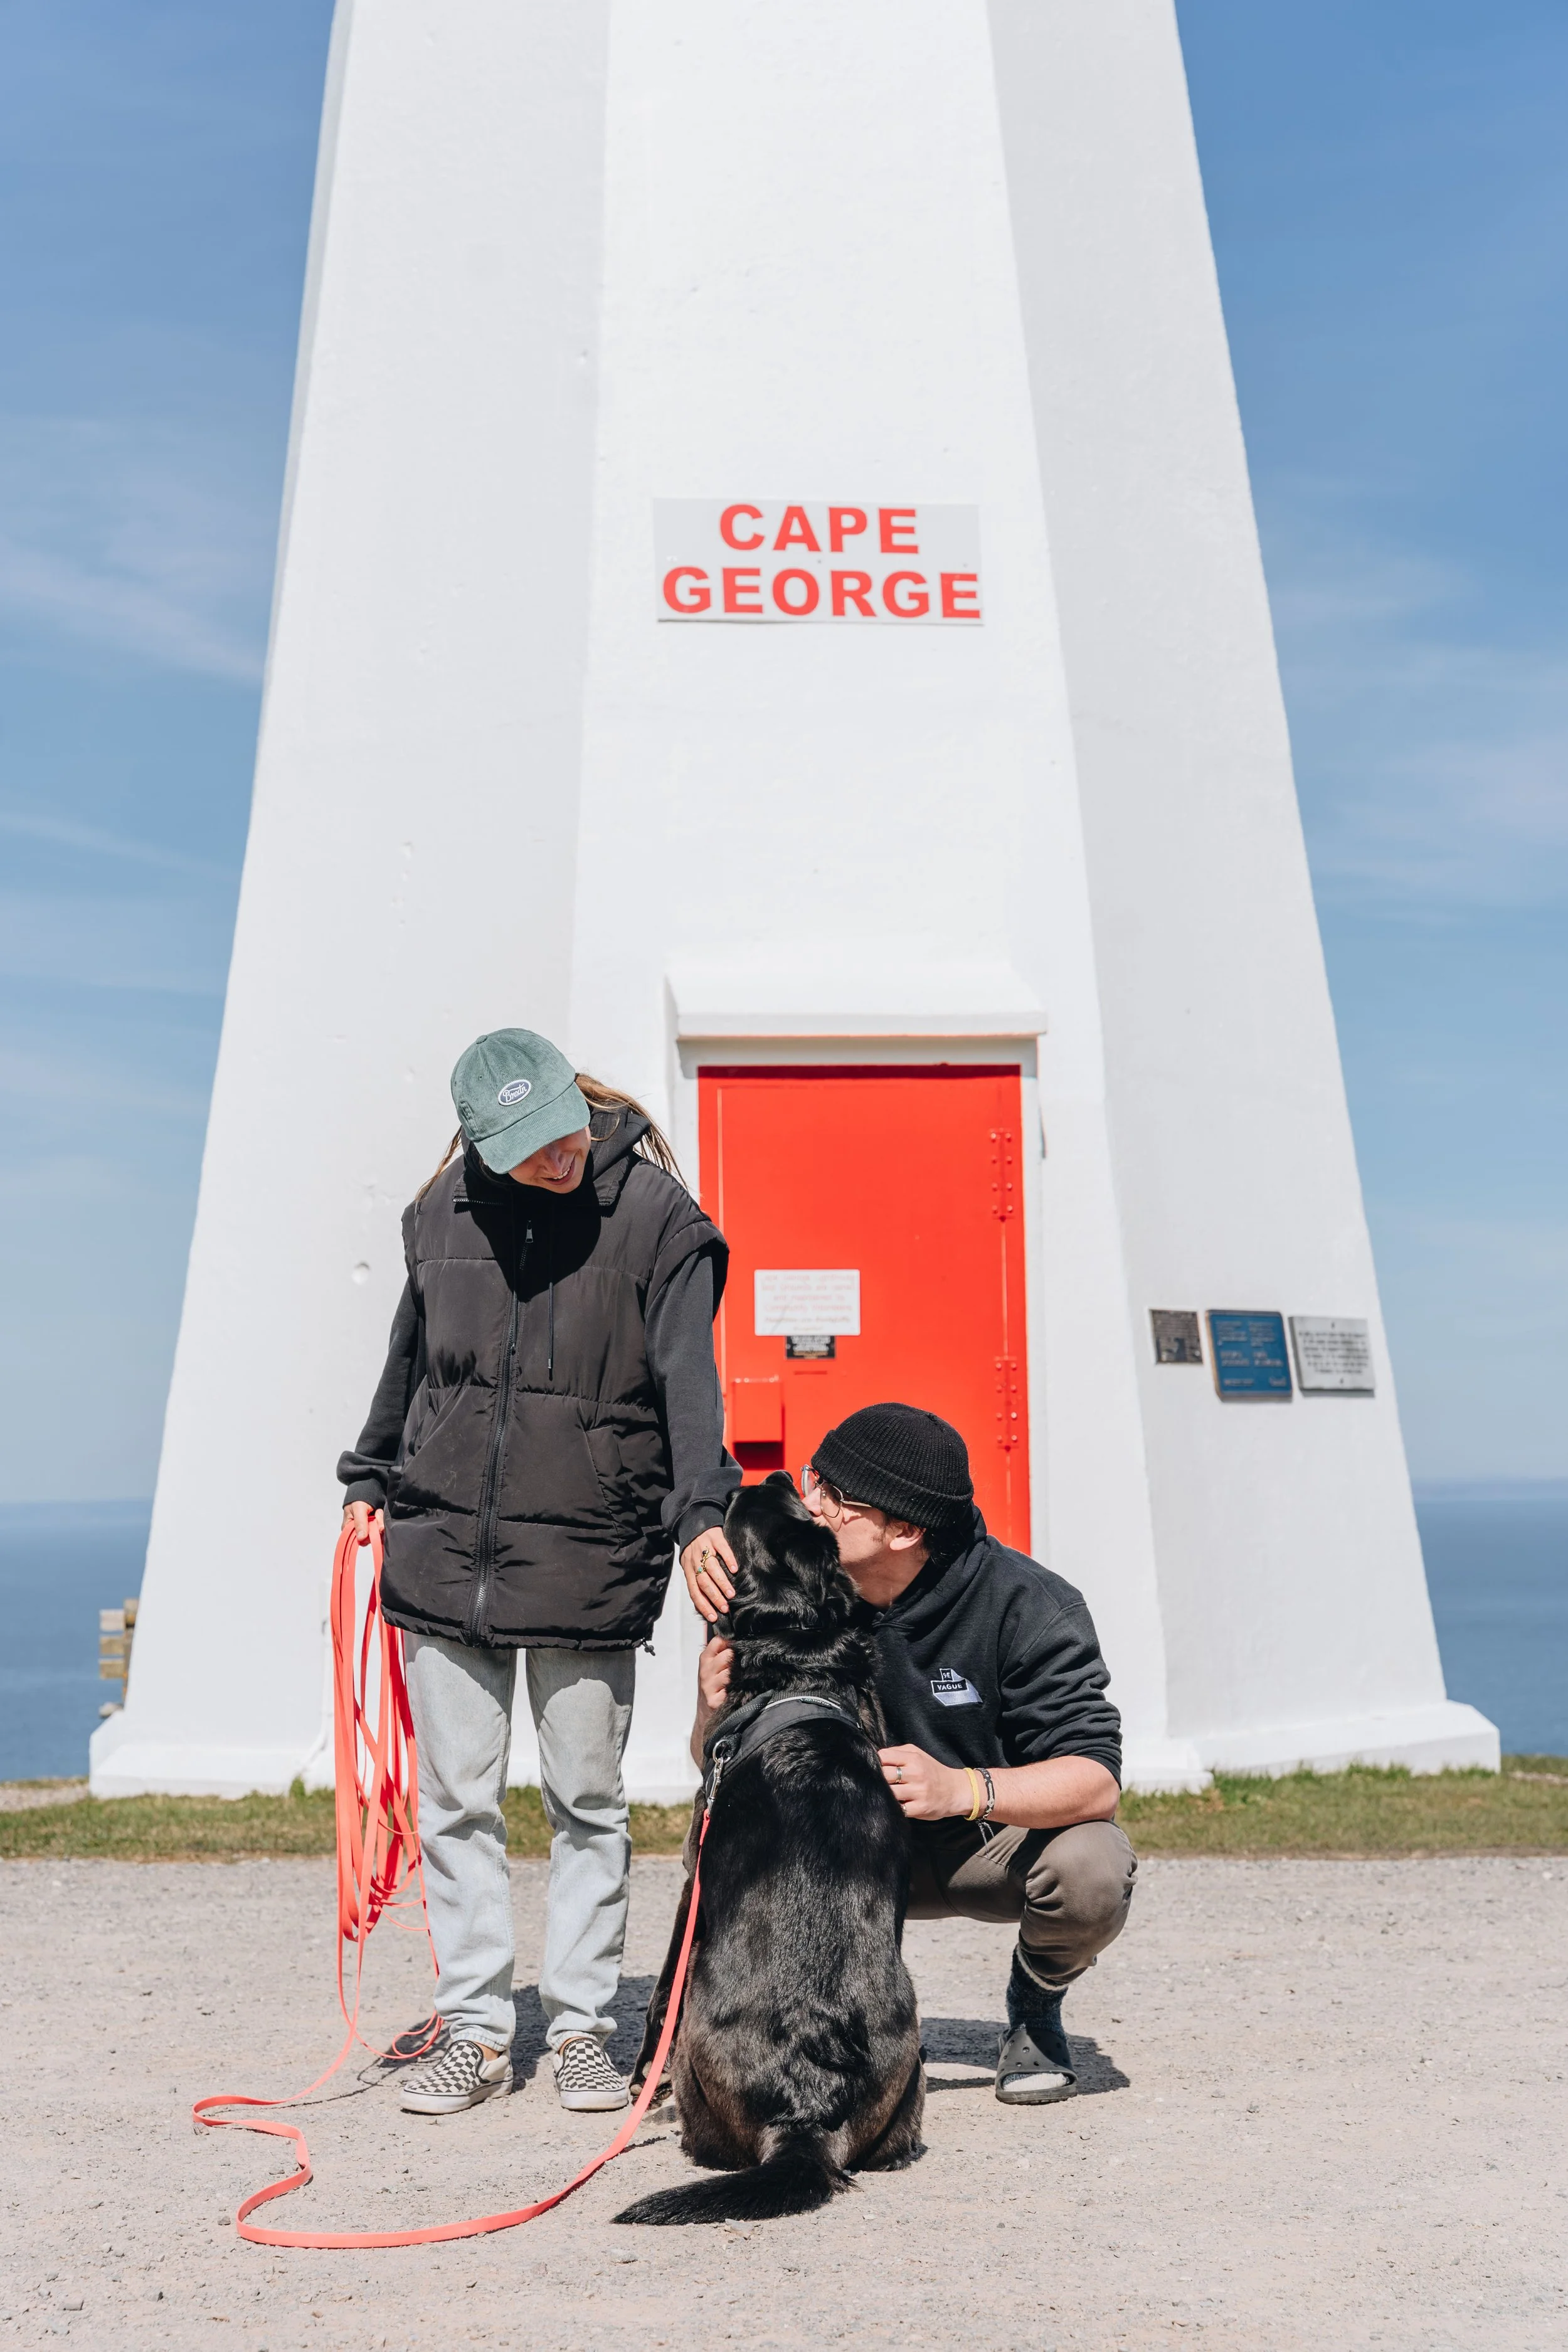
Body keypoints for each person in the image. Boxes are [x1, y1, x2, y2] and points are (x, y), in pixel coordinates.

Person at [339, 1029, 740, 2117]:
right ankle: (473, 2027)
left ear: (580, 1101)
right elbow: (408, 1361)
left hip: (591, 1545)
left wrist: (701, 1509)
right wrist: (371, 1475)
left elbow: (690, 1385)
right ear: (479, 1142)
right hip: (445, 1546)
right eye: (527, 1148)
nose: (556, 1157)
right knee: (456, 1803)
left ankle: (578, 2027)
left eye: (562, 1133)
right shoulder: (438, 1216)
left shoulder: (659, 1222)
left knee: (588, 1802)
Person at [690, 1402, 1134, 2104]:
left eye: (837, 1498)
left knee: (1091, 1869)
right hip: (847, 1849)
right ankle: (750, 2032)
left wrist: (964, 1790)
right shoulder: (794, 1581)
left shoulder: (1028, 1604)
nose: (812, 1504)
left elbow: (1094, 1780)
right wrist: (710, 1712)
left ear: (903, 1531)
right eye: (815, 1479)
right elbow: (715, 1771)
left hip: (973, 1849)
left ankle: (1035, 2002)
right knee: (728, 1838)